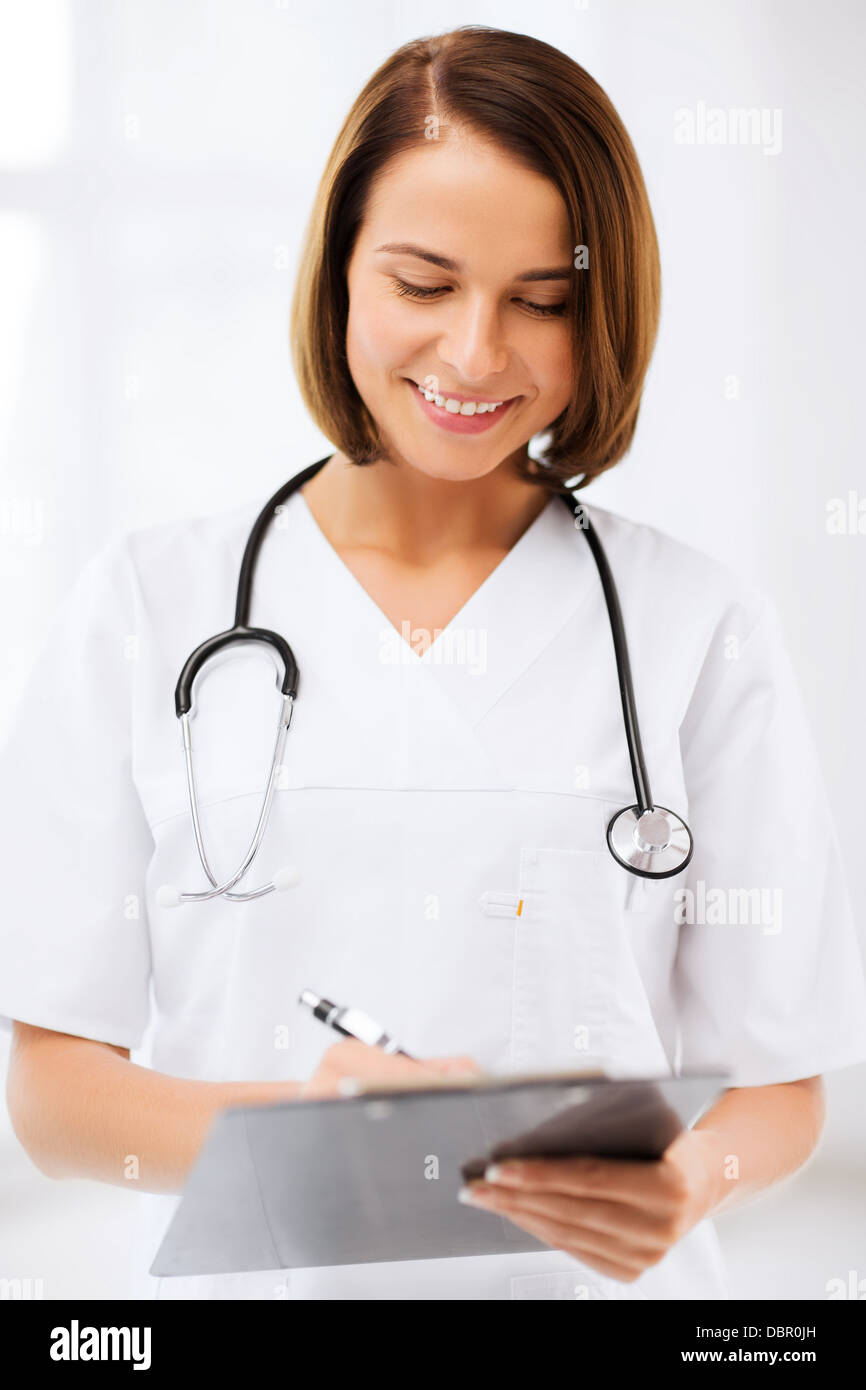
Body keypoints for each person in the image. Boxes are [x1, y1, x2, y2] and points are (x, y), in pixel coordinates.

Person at [3, 25, 866, 1303]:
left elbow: (775, 1086)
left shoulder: (696, 626)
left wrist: (687, 1182)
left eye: (543, 300)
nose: (474, 354)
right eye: (422, 284)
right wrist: (307, 1140)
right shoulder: (145, 606)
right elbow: (56, 1098)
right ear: (338, 274)